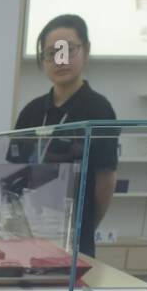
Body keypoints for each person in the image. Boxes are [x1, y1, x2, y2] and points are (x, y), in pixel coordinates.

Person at [10, 15, 118, 258]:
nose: (60, 59)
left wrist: (85, 227)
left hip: (74, 237)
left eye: (68, 49)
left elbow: (106, 179)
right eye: (51, 52)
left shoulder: (99, 110)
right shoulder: (32, 111)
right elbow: (13, 174)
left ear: (86, 51)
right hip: (29, 234)